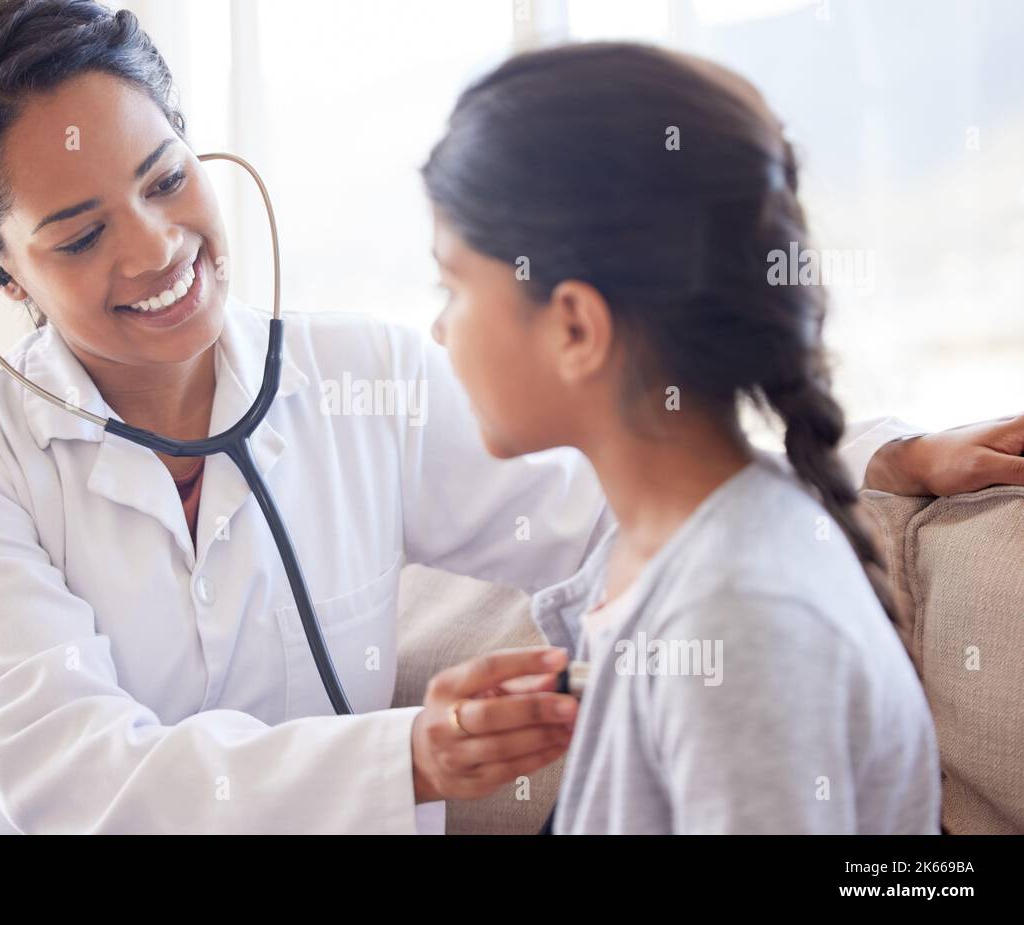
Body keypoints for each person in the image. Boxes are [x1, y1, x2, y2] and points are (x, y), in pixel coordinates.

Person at [0, 0, 1019, 834]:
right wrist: (406, 752)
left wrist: (863, 452)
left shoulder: (366, 379)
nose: (159, 248)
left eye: (165, 179)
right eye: (81, 233)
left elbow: (632, 492)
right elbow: (82, 787)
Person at [418, 42, 1003, 832]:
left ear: (575, 327)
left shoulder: (739, 619)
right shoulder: (664, 550)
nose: (438, 328)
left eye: (452, 285)